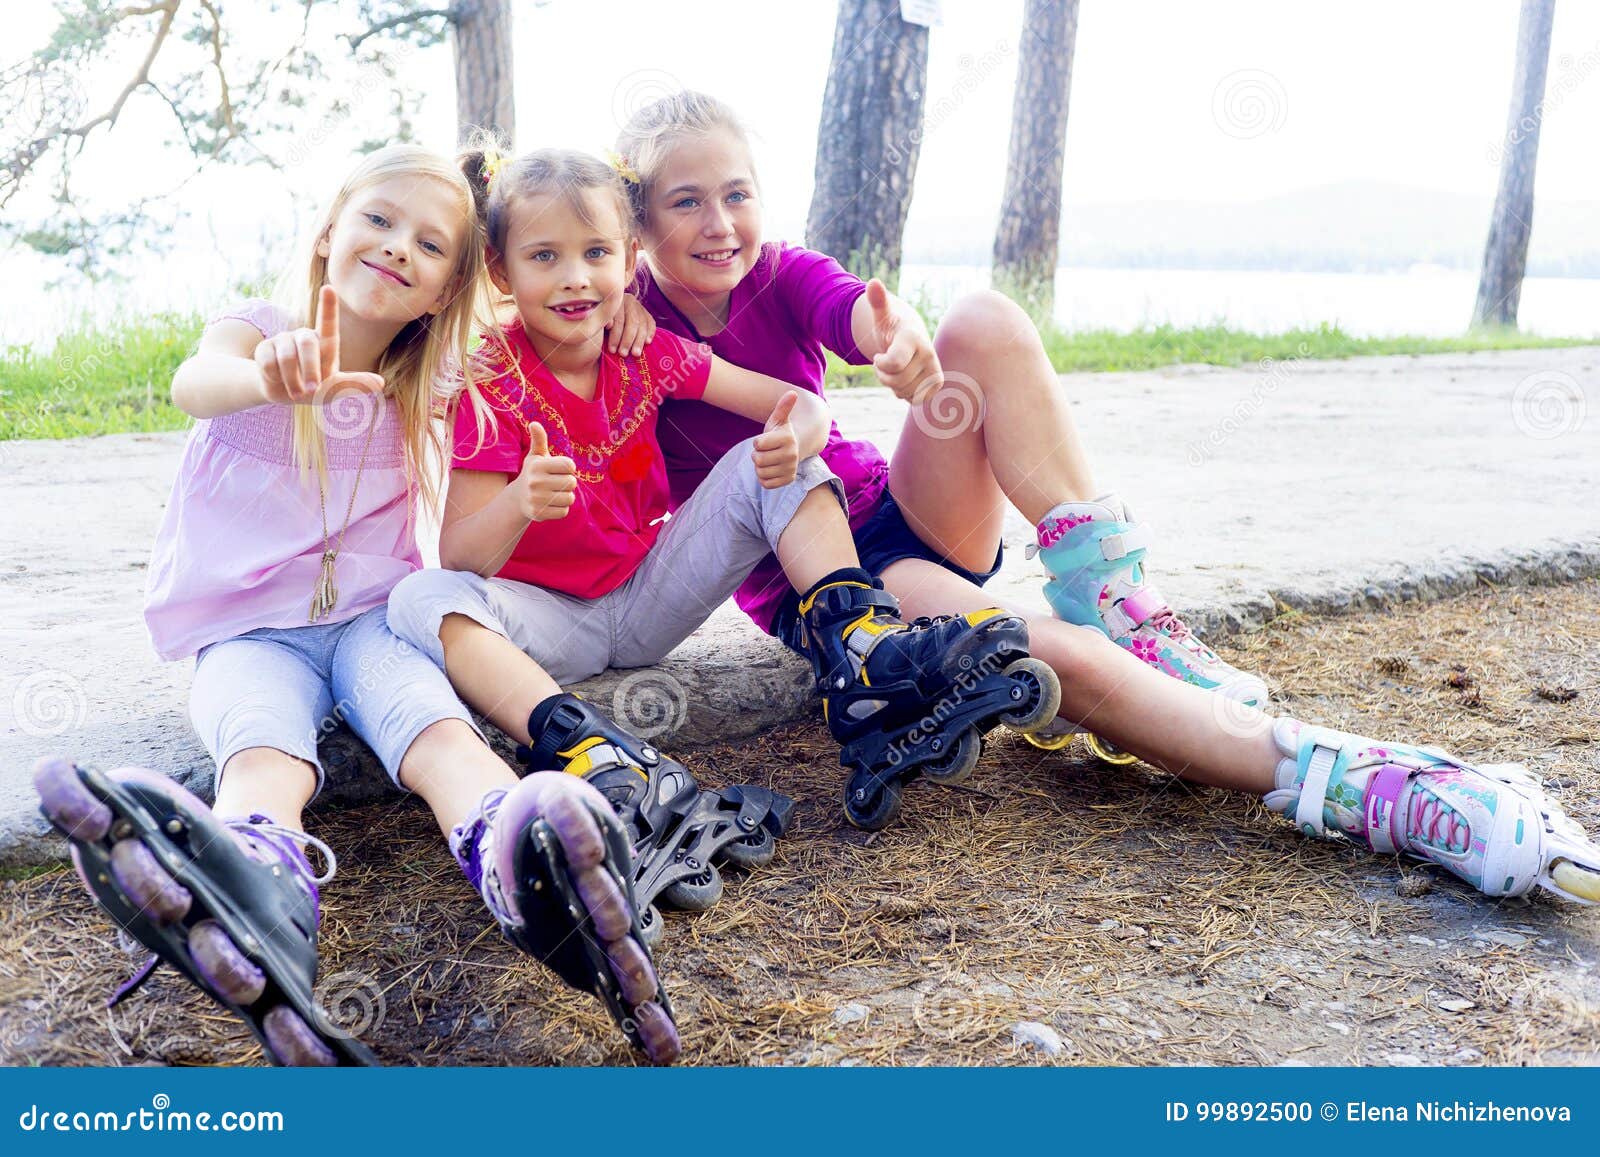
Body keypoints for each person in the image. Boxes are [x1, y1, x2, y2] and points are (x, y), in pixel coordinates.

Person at [610, 91, 1600, 905]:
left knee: (982, 319)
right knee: (1042, 650)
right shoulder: (624, 325)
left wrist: (895, 337)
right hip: (837, 586)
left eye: (736, 193)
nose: (718, 221)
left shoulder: (780, 273)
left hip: (902, 507)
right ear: (640, 221)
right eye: (686, 201)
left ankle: (1119, 598)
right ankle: (1358, 782)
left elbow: (855, 311)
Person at [34, 145, 679, 1067]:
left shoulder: (433, 378)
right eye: (378, 220)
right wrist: (269, 377)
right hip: (246, 629)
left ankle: (524, 858)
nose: (396, 247)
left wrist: (632, 304)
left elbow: (557, 277)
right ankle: (259, 884)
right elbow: (193, 381)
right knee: (260, 750)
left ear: (444, 290)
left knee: (442, 737)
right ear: (331, 229)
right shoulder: (257, 336)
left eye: (429, 244)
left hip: (374, 621)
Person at [385, 144, 1061, 860]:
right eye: (545, 257)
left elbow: (792, 404)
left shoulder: (646, 349)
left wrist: (801, 431)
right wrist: (520, 501)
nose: (576, 278)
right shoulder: (492, 374)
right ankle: (589, 749)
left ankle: (866, 660)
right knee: (419, 598)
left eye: (596, 254)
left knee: (765, 458)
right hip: (548, 623)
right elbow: (460, 553)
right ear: (501, 270)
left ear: (629, 259)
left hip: (648, 596)